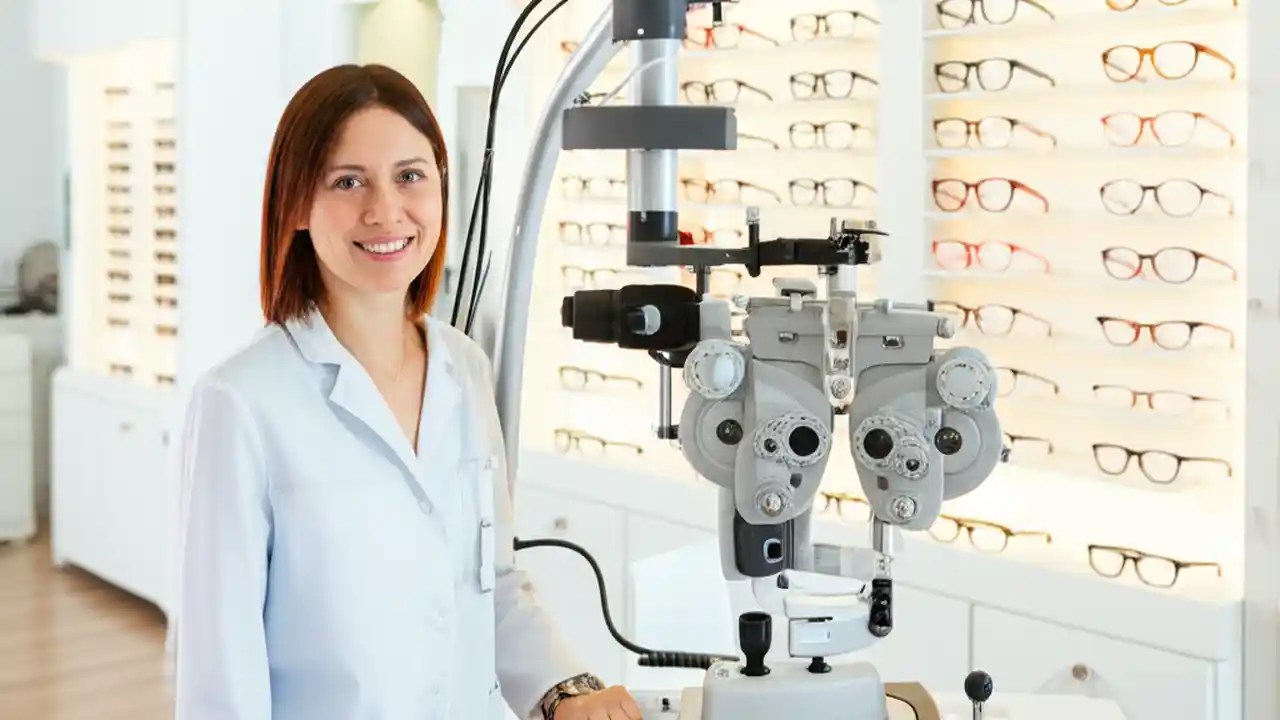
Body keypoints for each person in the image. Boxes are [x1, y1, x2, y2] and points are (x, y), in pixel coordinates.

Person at [173, 63, 644, 720]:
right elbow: (221, 674)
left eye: (409, 176)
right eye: (348, 182)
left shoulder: (464, 368)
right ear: (298, 205)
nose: (384, 210)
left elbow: (493, 587)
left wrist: (566, 689)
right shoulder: (242, 403)